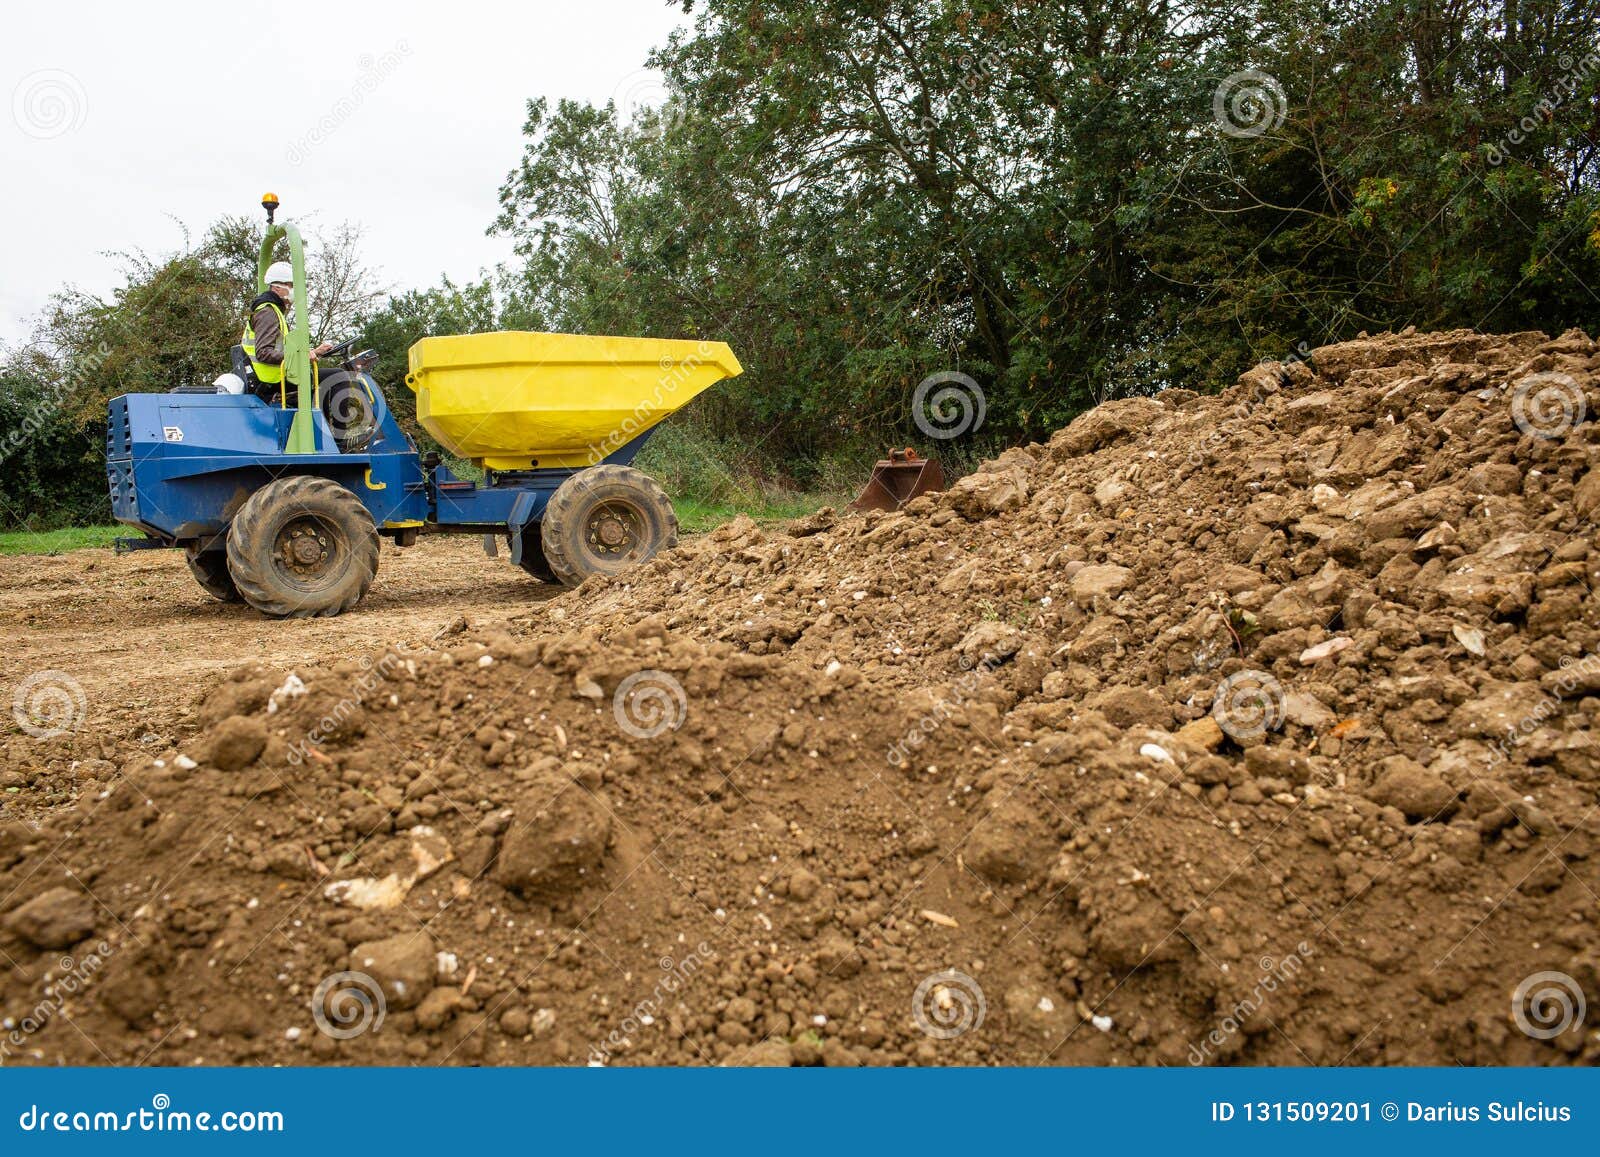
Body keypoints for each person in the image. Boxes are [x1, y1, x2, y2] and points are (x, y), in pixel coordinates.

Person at [241, 261, 334, 401]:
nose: (294, 290)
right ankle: (337, 423)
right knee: (337, 376)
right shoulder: (268, 313)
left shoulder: (274, 311)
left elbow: (283, 349)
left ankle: (321, 420)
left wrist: (314, 352)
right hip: (269, 381)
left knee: (322, 381)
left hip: (276, 377)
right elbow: (263, 352)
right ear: (277, 288)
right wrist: (303, 357)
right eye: (291, 285)